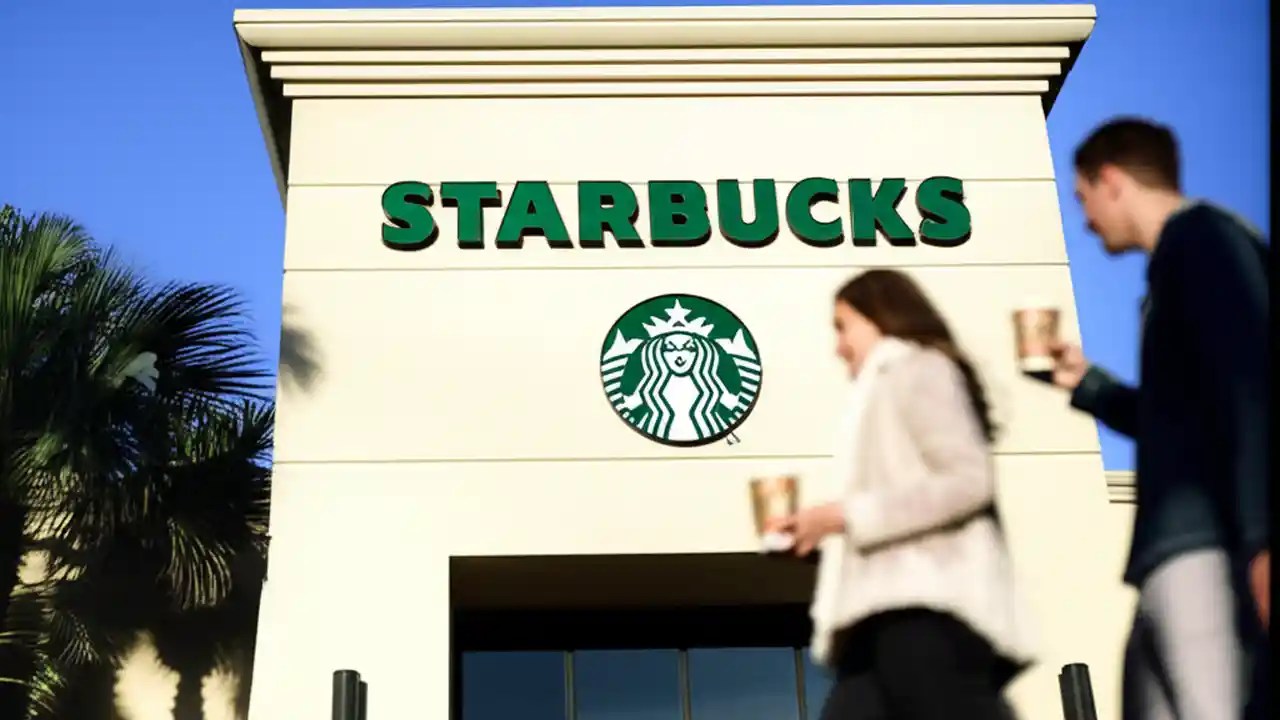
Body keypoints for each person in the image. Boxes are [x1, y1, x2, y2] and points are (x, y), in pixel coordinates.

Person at [1049, 117, 1270, 720]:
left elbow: (1249, 389)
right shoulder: (1177, 264)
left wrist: (1260, 539)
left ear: (1111, 180)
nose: (1086, 218)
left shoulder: (1205, 241)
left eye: (1083, 197)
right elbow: (1179, 419)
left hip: (1201, 546)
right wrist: (1089, 386)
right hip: (1166, 557)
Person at [771, 269, 1034, 720]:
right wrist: (826, 530)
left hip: (926, 611)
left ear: (880, 317)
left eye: (842, 326)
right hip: (879, 621)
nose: (837, 346)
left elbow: (968, 481)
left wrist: (844, 517)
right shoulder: (880, 390)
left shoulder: (920, 369)